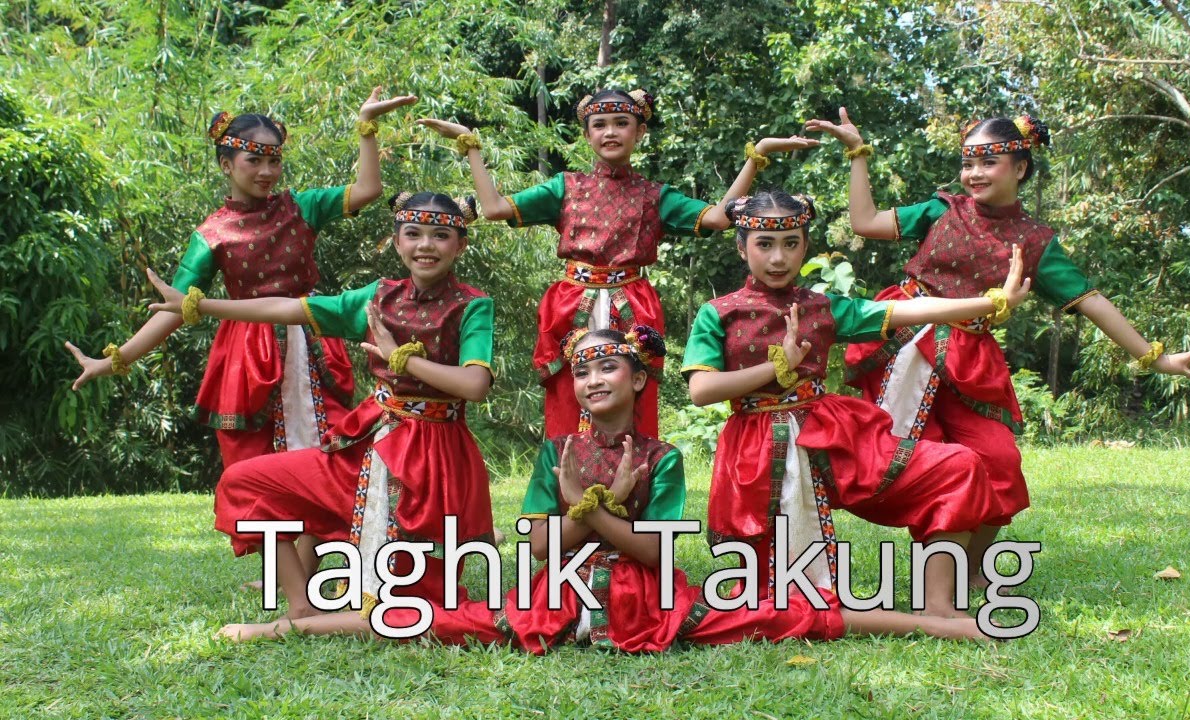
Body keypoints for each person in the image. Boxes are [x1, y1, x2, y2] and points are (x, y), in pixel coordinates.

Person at [216, 328, 986, 644]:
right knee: (435, 619)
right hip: (555, 599)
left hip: (652, 604)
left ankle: (933, 623)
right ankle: (289, 625)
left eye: (606, 365)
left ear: (638, 377)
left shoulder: (665, 456)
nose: (590, 378)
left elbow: (655, 557)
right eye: (580, 369)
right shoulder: (555, 452)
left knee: (783, 610)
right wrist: (597, 505)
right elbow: (545, 546)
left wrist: (606, 509)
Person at [807, 109, 1190, 586]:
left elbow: (1092, 301)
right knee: (919, 460)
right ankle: (932, 578)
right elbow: (865, 221)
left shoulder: (1036, 241)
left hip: (968, 361)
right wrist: (858, 152)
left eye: (989, 161)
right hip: (905, 345)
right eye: (968, 162)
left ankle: (971, 572)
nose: (974, 173)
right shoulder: (943, 210)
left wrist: (1155, 357)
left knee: (998, 460)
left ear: (1019, 167)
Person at [147, 191, 494, 620]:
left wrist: (403, 359)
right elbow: (286, 307)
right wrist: (200, 306)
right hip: (367, 441)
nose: (426, 245)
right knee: (245, 481)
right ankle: (301, 606)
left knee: (413, 601)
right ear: (397, 241)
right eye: (414, 233)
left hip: (433, 458)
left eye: (441, 235)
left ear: (460, 245)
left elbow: (475, 384)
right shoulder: (377, 298)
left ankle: (329, 613)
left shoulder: (472, 305)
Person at [683, 190, 1032, 616]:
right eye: (765, 244)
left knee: (957, 466)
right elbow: (701, 390)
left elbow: (916, 310)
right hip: (756, 454)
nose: (778, 258)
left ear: (805, 246)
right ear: (742, 247)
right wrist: (777, 369)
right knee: (769, 601)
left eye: (791, 243)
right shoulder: (718, 313)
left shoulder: (823, 307)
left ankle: (937, 605)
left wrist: (992, 302)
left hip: (830, 437)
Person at [418, 88, 817, 437]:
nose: (610, 132)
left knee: (636, 393)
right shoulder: (565, 187)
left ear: (639, 132)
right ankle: (565, 497)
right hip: (571, 304)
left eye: (622, 123)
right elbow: (494, 208)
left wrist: (756, 156)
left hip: (633, 303)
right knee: (566, 393)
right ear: (587, 133)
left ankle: (636, 499)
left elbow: (716, 218)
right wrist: (471, 146)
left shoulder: (653, 195)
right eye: (600, 124)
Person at [66, 88, 417, 470]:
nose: (267, 172)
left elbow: (368, 190)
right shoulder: (212, 235)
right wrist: (116, 360)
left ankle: (326, 526)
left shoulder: (301, 207)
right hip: (249, 350)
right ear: (226, 165)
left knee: (331, 441)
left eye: (274, 160)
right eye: (254, 160)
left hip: (313, 329)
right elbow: (177, 308)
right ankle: (264, 529)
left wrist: (366, 126)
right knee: (253, 450)